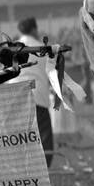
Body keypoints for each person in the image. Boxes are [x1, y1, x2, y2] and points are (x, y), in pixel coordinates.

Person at [16, 16, 55, 166]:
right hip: (37, 97)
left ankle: (20, 169)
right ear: (34, 29)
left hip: (15, 96)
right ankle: (43, 170)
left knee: (18, 136)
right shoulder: (42, 48)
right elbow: (53, 73)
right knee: (43, 136)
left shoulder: (12, 47)